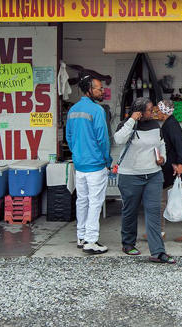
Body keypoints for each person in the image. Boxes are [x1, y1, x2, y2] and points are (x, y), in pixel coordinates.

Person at [114, 97, 175, 263]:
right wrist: (132, 120)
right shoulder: (126, 125)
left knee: (154, 212)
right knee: (130, 210)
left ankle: (158, 251)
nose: (153, 112)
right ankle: (128, 243)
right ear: (139, 112)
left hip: (154, 174)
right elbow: (118, 140)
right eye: (149, 110)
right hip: (130, 175)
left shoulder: (156, 125)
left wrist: (163, 158)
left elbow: (161, 144)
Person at [66, 75, 112, 255]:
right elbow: (103, 140)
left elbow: (69, 138)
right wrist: (107, 160)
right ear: (88, 90)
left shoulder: (73, 110)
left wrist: (77, 154)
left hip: (80, 165)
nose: (102, 91)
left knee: (82, 201)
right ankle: (91, 241)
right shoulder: (97, 110)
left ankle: (81, 236)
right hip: (96, 165)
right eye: (99, 88)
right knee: (95, 202)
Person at [158, 99, 182, 244]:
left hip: (177, 170)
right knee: (178, 200)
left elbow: (179, 145)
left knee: (168, 200)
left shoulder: (171, 125)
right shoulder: (169, 124)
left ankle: (162, 232)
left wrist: (181, 164)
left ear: (164, 112)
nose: (157, 113)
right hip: (173, 169)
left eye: (158, 110)